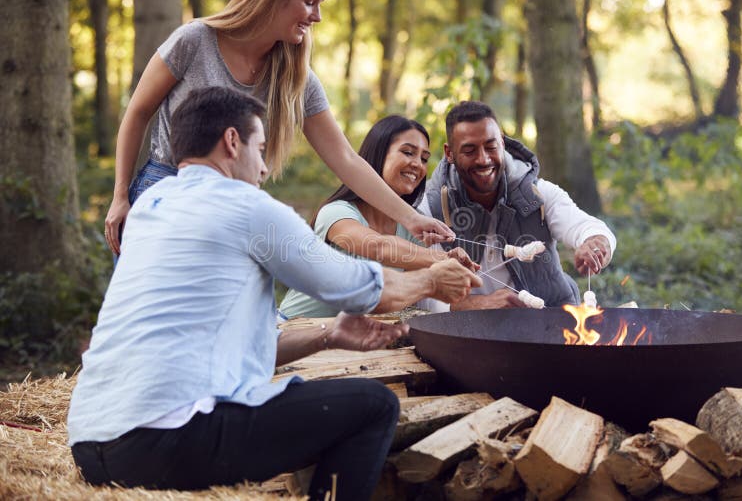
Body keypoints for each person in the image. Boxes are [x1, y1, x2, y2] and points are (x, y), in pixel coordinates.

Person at [68, 87, 481, 500]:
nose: (264, 169)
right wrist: (431, 280)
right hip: (169, 438)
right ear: (232, 142)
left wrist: (329, 335)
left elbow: (238, 344)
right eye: (261, 149)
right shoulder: (247, 207)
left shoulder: (151, 205)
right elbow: (360, 288)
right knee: (375, 406)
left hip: (90, 442)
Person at [103, 0, 452, 256]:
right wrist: (120, 196)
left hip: (237, 207)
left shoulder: (296, 79)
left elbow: (345, 158)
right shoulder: (194, 41)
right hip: (165, 190)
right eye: (310, 2)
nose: (316, 16)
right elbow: (137, 112)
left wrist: (412, 219)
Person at [418, 101, 616, 311]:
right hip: (469, 336)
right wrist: (475, 305)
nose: (483, 159)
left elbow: (589, 228)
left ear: (502, 143)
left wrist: (595, 244)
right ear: (449, 153)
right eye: (470, 150)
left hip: (549, 330)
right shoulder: (431, 207)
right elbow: (421, 292)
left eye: (491, 146)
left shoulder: (537, 193)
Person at [280, 115, 479, 318]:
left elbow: (403, 293)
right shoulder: (337, 212)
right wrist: (443, 258)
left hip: (343, 340)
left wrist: (448, 269)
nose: (418, 164)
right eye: (408, 152)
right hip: (292, 329)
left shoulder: (413, 228)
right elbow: (378, 247)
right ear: (379, 153)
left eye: (424, 158)